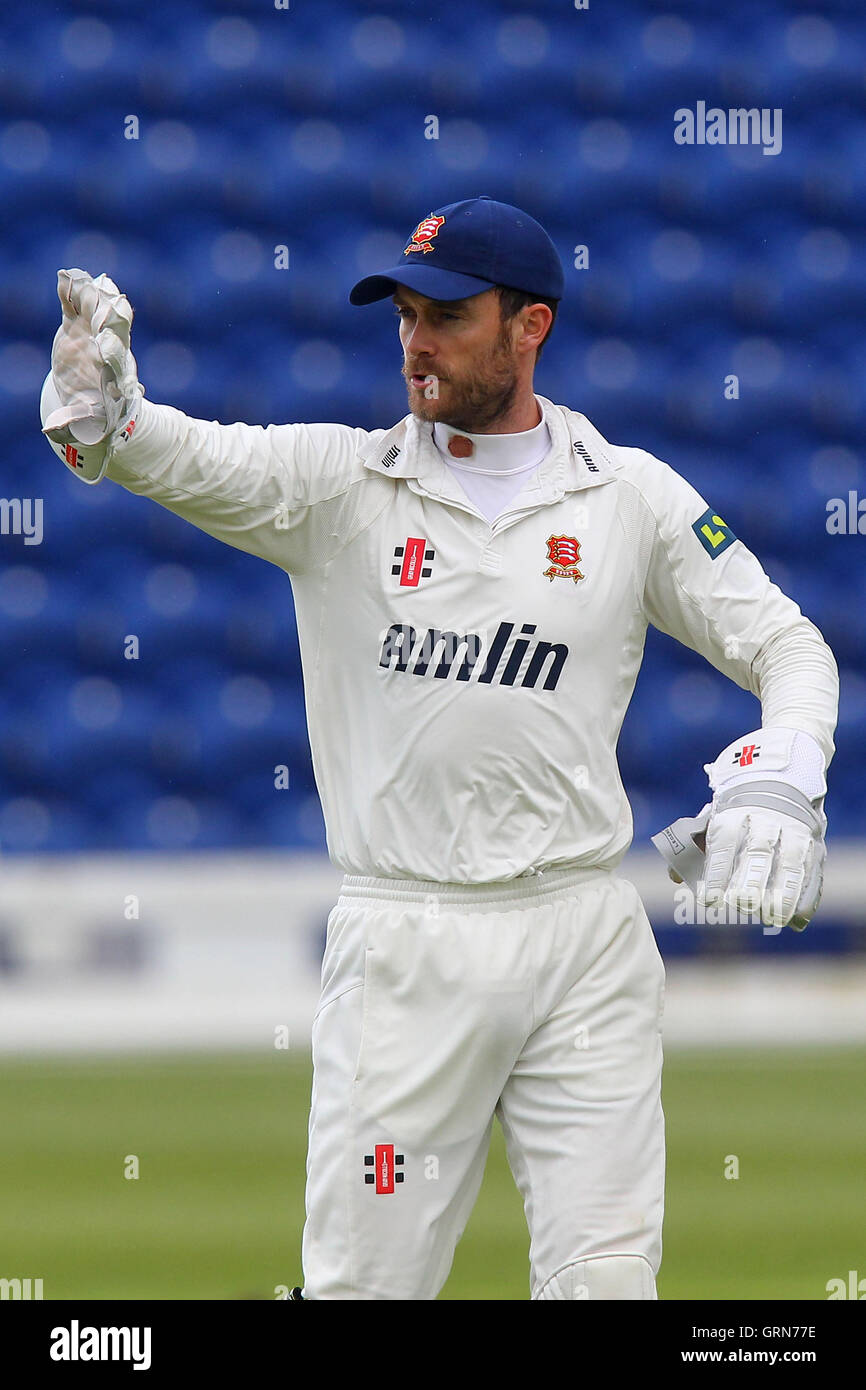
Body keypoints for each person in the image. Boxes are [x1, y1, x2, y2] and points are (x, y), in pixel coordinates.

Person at [40, 196, 838, 1300]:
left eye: (449, 316)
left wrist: (785, 769)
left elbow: (786, 643)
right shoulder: (338, 487)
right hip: (406, 946)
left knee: (607, 1285)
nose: (415, 341)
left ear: (529, 327)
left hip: (582, 939)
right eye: (405, 314)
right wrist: (102, 415)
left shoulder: (629, 495)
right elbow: (168, 454)